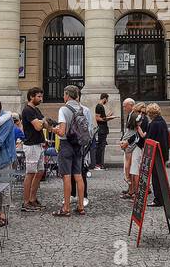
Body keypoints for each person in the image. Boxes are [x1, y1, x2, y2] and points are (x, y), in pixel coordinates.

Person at [54, 85, 90, 217]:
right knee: (78, 175)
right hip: (78, 145)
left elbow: (62, 131)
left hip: (66, 144)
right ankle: (81, 207)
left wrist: (53, 129)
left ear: (67, 95)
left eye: (64, 94)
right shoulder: (83, 109)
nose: (63, 97)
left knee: (67, 176)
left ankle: (66, 208)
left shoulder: (63, 109)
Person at [20, 88, 47, 209]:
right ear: (31, 97)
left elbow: (45, 123)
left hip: (39, 144)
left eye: (41, 97)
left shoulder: (36, 110)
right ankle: (26, 202)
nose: (41, 99)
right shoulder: (28, 110)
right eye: (39, 97)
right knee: (30, 173)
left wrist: (44, 122)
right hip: (31, 145)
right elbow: (38, 126)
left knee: (40, 171)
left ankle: (33, 198)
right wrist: (43, 122)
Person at [142, 103, 170, 209]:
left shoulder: (153, 124)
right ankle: (162, 197)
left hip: (155, 154)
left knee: (156, 178)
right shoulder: (162, 122)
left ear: (150, 113)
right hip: (163, 153)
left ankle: (158, 199)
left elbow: (149, 140)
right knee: (161, 177)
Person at [120, 99, 148, 200]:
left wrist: (126, 142)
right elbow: (132, 132)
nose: (142, 114)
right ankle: (131, 189)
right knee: (131, 167)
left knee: (134, 169)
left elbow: (138, 135)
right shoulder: (134, 117)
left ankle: (135, 192)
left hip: (137, 145)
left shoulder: (141, 118)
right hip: (132, 143)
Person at [92, 93, 112, 170]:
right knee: (100, 147)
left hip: (103, 128)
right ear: (104, 99)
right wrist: (106, 118)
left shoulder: (100, 106)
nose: (107, 101)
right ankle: (98, 164)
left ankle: (100, 164)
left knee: (101, 146)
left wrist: (108, 117)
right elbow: (97, 118)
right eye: (107, 99)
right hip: (102, 129)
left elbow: (101, 117)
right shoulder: (99, 106)